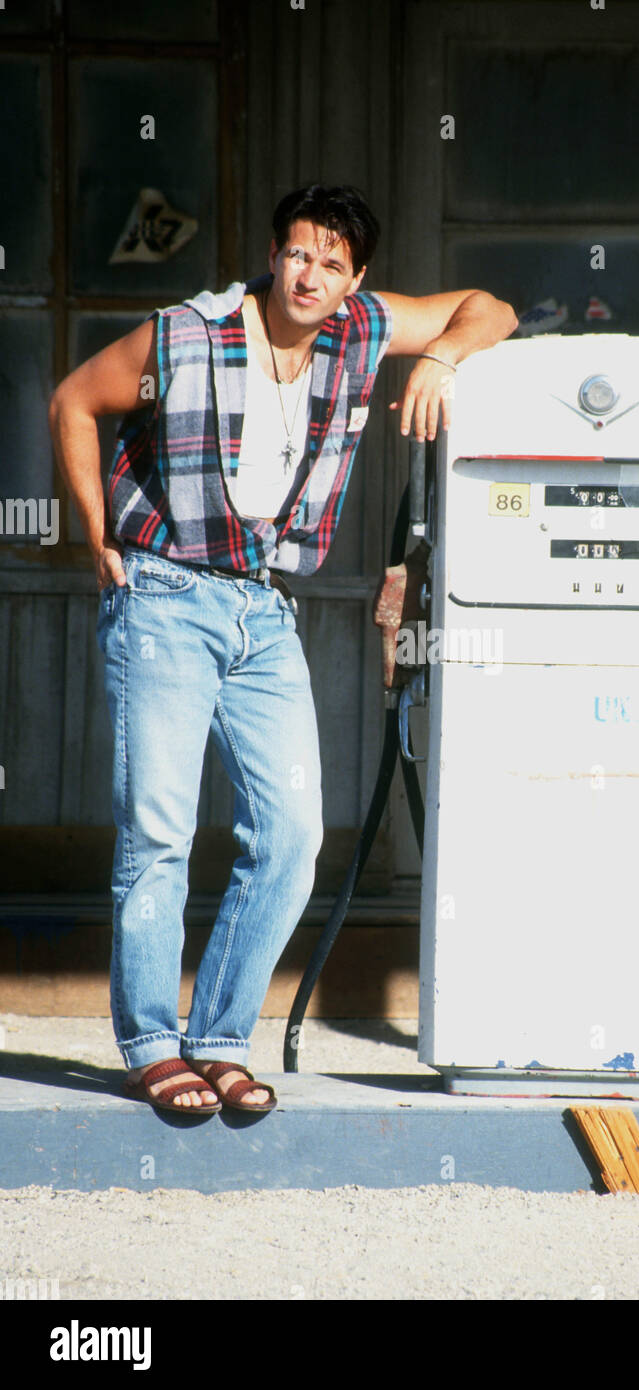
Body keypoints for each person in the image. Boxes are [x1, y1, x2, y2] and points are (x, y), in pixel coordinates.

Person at [48, 184, 517, 1115]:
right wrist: (94, 538)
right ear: (275, 253)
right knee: (159, 833)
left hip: (264, 611)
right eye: (300, 254)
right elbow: (72, 399)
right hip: (165, 597)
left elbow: (490, 309)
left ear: (356, 279)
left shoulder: (362, 330)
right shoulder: (187, 334)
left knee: (295, 837)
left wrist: (442, 364)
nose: (312, 276)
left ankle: (219, 1038)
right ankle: (152, 1044)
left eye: (334, 264)